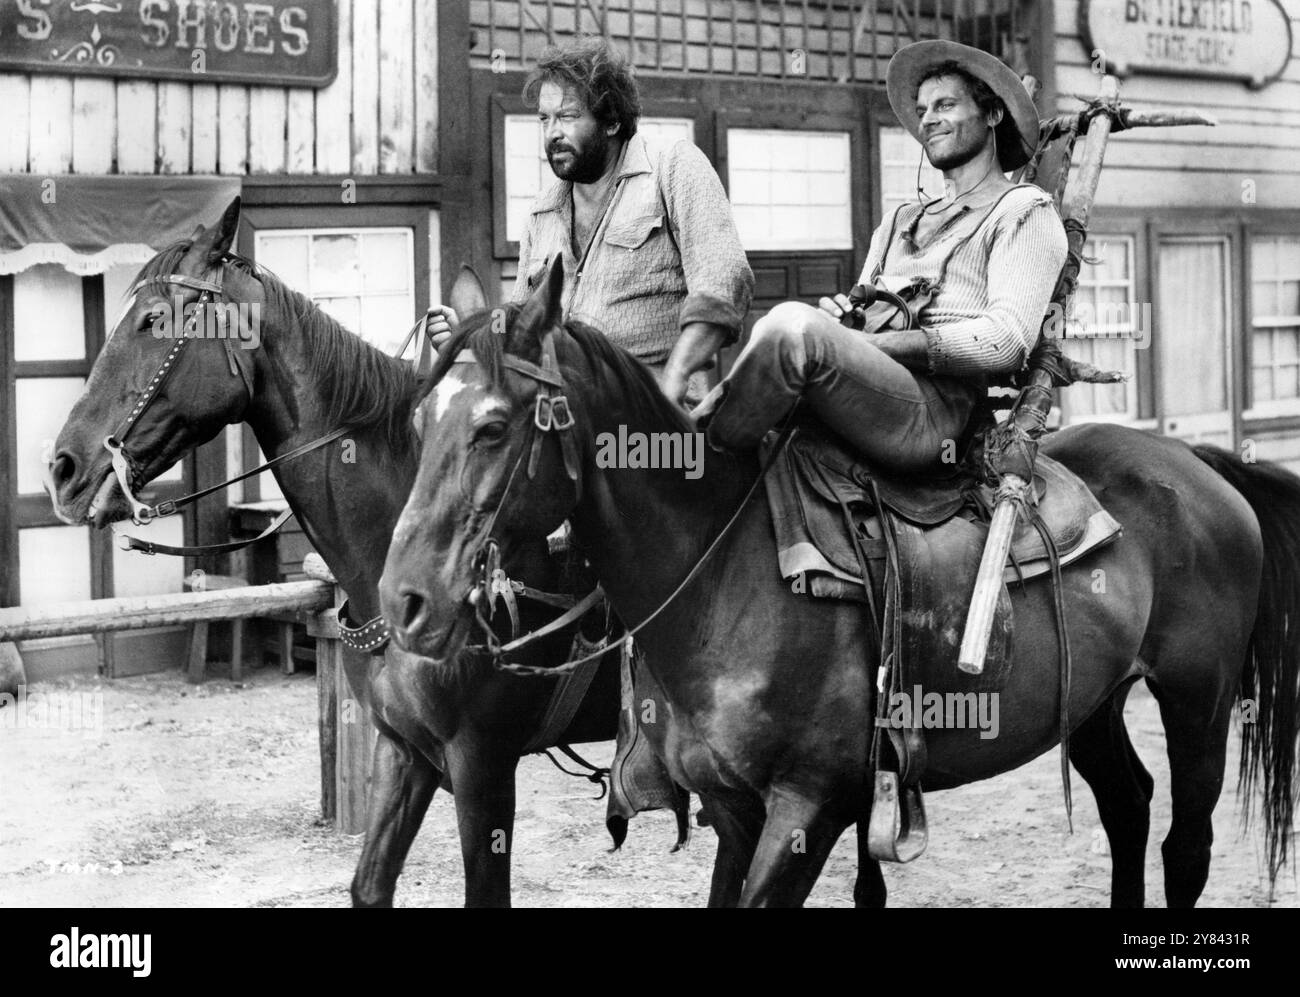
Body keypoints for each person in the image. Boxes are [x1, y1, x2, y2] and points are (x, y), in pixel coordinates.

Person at [693, 39, 1068, 474]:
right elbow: (864, 311)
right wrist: (845, 321)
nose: (928, 119)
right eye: (923, 110)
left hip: (936, 414)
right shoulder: (900, 220)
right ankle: (699, 444)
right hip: (875, 391)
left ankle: (693, 455)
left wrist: (868, 344)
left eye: (944, 105)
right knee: (790, 329)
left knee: (789, 327)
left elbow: (1006, 341)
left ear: (992, 114)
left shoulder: (1024, 211)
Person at [427, 37, 753, 406]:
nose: (552, 133)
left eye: (567, 116)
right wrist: (471, 338)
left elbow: (724, 283)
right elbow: (523, 328)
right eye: (544, 119)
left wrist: (674, 380)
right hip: (562, 423)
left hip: (653, 421)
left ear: (611, 122)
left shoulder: (672, 168)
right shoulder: (541, 213)